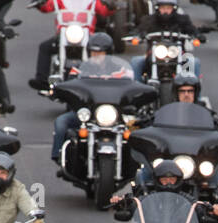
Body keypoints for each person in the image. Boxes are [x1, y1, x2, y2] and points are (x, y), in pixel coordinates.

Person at [50, 33, 133, 163]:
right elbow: (70, 86)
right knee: (61, 122)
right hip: (86, 111)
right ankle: (60, 157)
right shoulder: (79, 69)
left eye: (100, 53)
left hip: (114, 112)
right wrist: (59, 91)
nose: (97, 56)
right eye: (94, 53)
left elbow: (130, 86)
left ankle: (137, 162)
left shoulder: (121, 69)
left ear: (108, 53)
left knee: (139, 126)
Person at [29, 0, 116, 90]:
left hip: (86, 34)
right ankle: (41, 80)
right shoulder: (60, 1)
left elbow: (104, 11)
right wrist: (39, 4)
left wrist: (112, 6)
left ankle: (105, 77)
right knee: (44, 47)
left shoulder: (92, 1)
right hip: (64, 34)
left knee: (102, 47)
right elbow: (47, 7)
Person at [131, 0, 202, 79]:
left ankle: (194, 89)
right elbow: (139, 29)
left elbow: (192, 29)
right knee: (136, 61)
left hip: (178, 53)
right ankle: (137, 89)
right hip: (153, 53)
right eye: (163, 8)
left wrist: (197, 35)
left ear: (174, 8)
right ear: (158, 8)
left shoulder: (183, 20)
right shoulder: (149, 20)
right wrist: (137, 35)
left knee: (194, 62)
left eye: (168, 8)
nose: (165, 10)